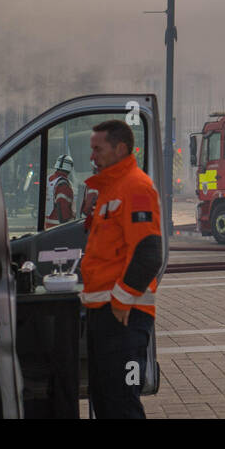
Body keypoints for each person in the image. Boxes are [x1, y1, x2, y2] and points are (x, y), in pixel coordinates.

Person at [81, 120, 162, 419]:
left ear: (120, 149)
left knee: (121, 405)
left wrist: (122, 300)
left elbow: (149, 253)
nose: (93, 156)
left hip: (123, 318)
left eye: (97, 149)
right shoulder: (112, 187)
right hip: (106, 315)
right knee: (106, 401)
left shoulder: (136, 187)